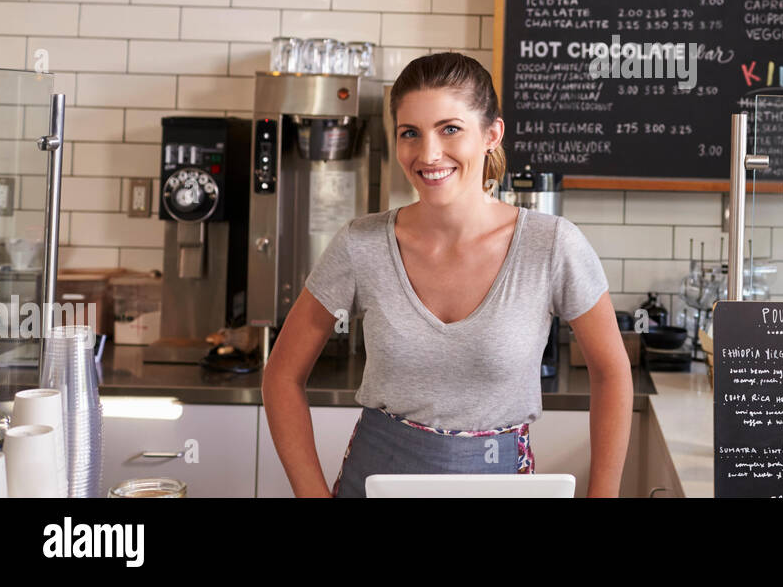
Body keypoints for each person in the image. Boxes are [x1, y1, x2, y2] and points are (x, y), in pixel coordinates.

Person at [261, 52, 633, 497]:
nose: (428, 154)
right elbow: (281, 376)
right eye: (410, 134)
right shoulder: (361, 244)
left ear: (491, 134)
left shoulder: (552, 245)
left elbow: (612, 374)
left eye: (450, 129)